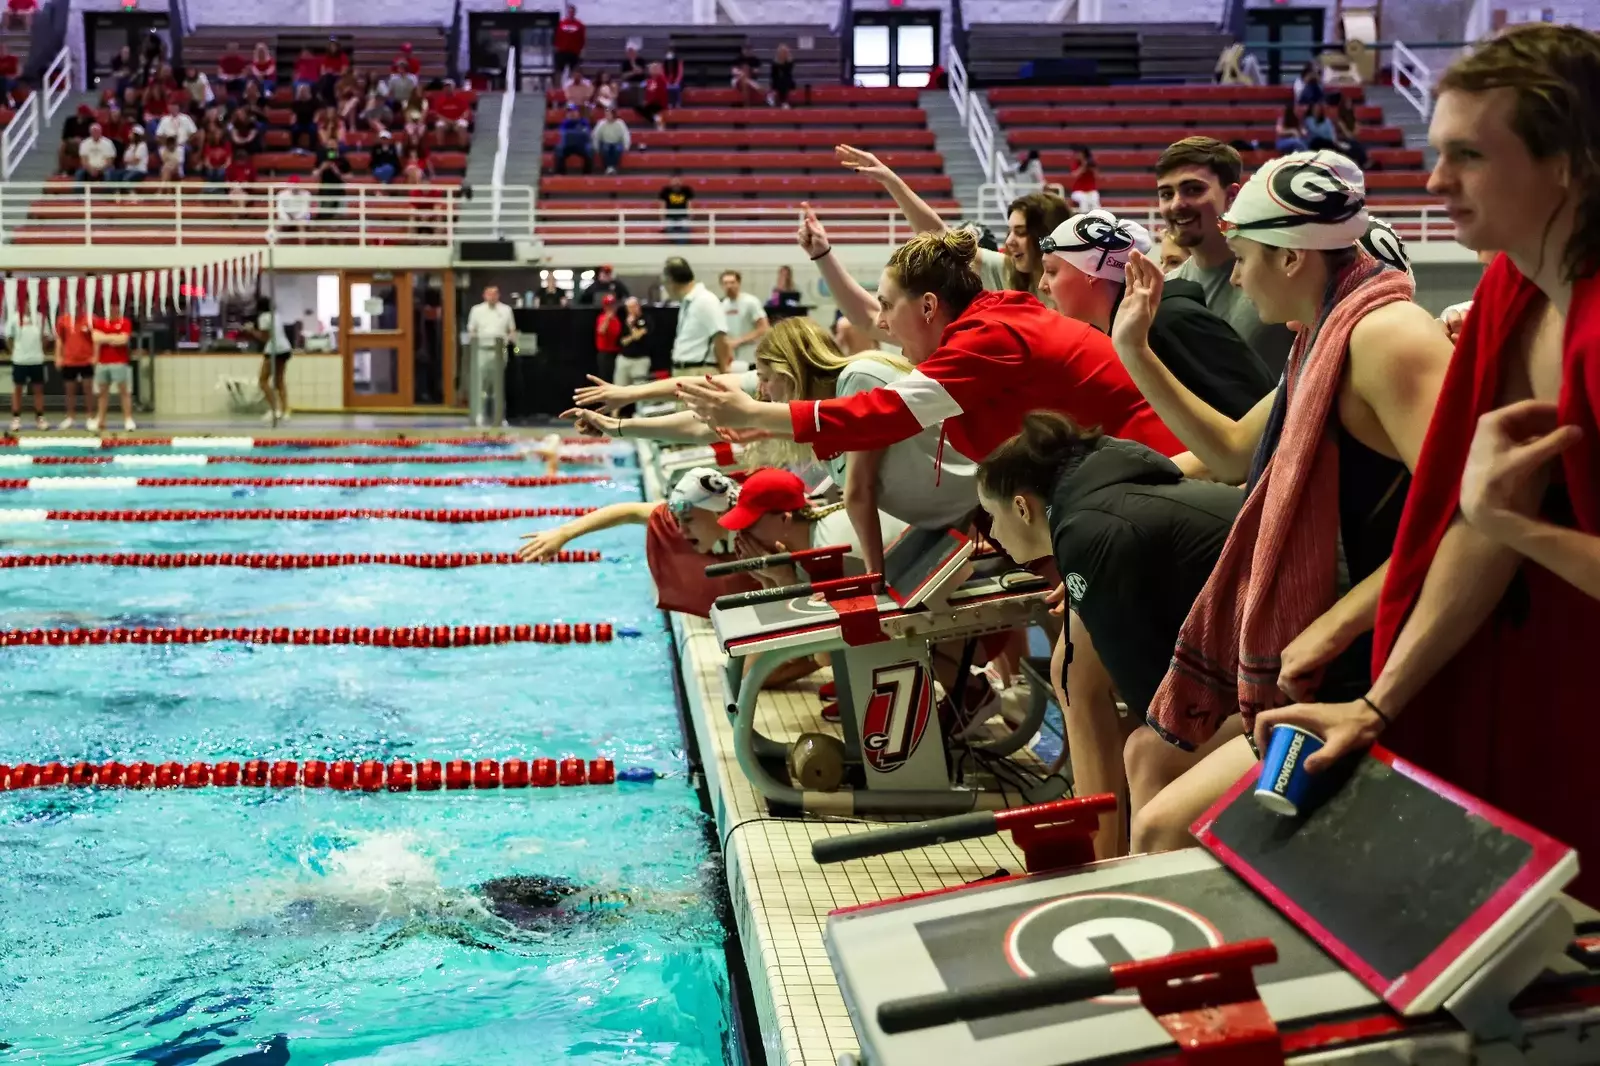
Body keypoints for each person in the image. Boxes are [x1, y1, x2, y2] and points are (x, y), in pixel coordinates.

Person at [1251, 24, 1600, 905]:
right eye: (1439, 151)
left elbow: (1500, 517)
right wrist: (1379, 702)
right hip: (1532, 681)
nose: (1435, 179)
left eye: (1470, 156)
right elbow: (1480, 527)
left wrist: (1513, 522)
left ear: (1568, 162)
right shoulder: (1512, 296)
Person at [1111, 151, 1455, 853]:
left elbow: (1462, 520)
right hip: (1330, 656)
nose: (1234, 274)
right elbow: (1237, 450)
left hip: (1376, 662)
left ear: (1293, 258)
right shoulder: (1321, 342)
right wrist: (1136, 352)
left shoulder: (1386, 337)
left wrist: (1333, 626)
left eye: (1243, 256)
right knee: (1151, 759)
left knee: (1163, 830)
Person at [679, 228, 1184, 473]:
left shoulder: (990, 335)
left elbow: (888, 412)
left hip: (1154, 466)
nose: (878, 322)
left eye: (885, 306)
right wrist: (766, 418)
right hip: (1127, 464)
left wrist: (763, 415)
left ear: (926, 306)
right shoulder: (989, 321)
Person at [978, 412, 1243, 857]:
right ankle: (1105, 854)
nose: (992, 537)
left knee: (1147, 749)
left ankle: (1134, 874)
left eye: (990, 517)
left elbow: (1156, 706)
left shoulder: (1091, 530)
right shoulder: (1104, 489)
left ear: (1022, 507)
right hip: (1276, 641)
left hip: (1316, 669)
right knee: (1074, 668)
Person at [1041, 210, 1274, 420]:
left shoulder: (1167, 322)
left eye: (1051, 271)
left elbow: (1253, 422)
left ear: (1091, 273)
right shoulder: (1126, 329)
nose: (1042, 285)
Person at [834, 144, 1068, 298]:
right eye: (1010, 231)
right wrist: (890, 180)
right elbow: (940, 236)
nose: (1010, 241)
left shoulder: (1080, 288)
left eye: (1021, 232)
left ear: (1045, 233)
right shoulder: (1006, 272)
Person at [1157, 136, 1297, 375]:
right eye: (1167, 194)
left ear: (1232, 196)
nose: (1177, 204)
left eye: (1193, 190)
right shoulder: (1168, 289)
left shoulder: (1283, 271)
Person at [663, 257, 729, 375]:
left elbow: (720, 338)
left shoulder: (705, 300)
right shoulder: (687, 302)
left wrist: (724, 372)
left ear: (671, 281)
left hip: (699, 370)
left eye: (665, 283)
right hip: (684, 370)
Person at [465, 286, 517, 428]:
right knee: (481, 385)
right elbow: (471, 330)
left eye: (494, 294)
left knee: (498, 386)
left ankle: (500, 417)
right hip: (481, 351)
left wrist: (511, 342)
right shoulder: (476, 310)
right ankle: (479, 416)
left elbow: (511, 330)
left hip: (500, 351)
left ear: (498, 295)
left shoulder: (506, 310)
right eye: (489, 294)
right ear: (484, 295)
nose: (492, 296)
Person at [89, 308, 136, 433]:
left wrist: (105, 337)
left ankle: (128, 419)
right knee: (102, 394)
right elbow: (95, 338)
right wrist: (114, 337)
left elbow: (124, 340)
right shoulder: (99, 322)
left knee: (124, 392)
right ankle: (101, 420)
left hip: (119, 362)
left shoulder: (125, 322)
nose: (112, 310)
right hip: (102, 363)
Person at [7, 302, 49, 432]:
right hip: (19, 360)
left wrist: (40, 350)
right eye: (25, 302)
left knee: (38, 391)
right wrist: (14, 352)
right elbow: (9, 338)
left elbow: (46, 337)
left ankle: (40, 418)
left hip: (36, 360)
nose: (27, 305)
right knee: (17, 390)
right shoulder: (14, 318)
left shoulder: (41, 318)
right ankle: (16, 419)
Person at [251, 296, 293, 423]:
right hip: (285, 348)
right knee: (279, 381)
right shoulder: (277, 315)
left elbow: (265, 337)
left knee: (262, 381)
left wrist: (251, 331)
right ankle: (285, 411)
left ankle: (275, 409)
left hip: (274, 350)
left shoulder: (263, 318)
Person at [719, 270, 769, 371]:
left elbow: (764, 328)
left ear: (739, 283)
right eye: (726, 283)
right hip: (731, 359)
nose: (729, 286)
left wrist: (738, 341)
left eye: (732, 282)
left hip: (750, 357)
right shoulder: (722, 305)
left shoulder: (751, 302)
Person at [53, 307, 93, 428]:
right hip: (69, 361)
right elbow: (59, 339)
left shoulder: (89, 319)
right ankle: (70, 417)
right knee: (69, 391)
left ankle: (90, 417)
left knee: (88, 390)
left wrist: (95, 356)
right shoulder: (63, 320)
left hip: (86, 360)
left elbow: (95, 339)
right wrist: (58, 356)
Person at [613, 296, 651, 388]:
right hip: (624, 359)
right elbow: (622, 341)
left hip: (640, 360)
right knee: (619, 388)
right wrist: (633, 336)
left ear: (638, 306)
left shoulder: (646, 319)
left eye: (634, 306)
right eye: (629, 307)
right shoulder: (623, 321)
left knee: (640, 390)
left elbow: (638, 336)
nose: (632, 310)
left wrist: (631, 326)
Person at [553, 103, 592, 175]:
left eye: (573, 111)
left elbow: (587, 133)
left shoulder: (583, 122)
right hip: (568, 146)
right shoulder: (565, 123)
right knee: (559, 149)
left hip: (580, 146)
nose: (571, 113)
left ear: (577, 112)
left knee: (589, 149)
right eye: (569, 112)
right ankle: (560, 173)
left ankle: (587, 173)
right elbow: (562, 133)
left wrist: (574, 134)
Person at [594, 294, 623, 383]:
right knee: (605, 379)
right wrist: (607, 319)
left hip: (616, 353)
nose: (611, 308)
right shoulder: (601, 318)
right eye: (608, 305)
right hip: (605, 354)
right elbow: (601, 331)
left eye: (613, 305)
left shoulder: (617, 319)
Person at [591, 106, 629, 175]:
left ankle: (613, 167)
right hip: (605, 142)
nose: (607, 116)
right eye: (606, 114)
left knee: (617, 149)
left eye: (609, 114)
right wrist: (595, 147)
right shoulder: (601, 123)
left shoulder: (620, 123)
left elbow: (625, 135)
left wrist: (626, 146)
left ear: (613, 114)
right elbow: (595, 136)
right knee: (606, 149)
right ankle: (608, 167)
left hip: (617, 142)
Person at [554, 5, 586, 80]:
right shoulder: (561, 23)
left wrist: (581, 50)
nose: (571, 13)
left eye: (572, 11)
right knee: (559, 70)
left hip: (574, 51)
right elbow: (557, 36)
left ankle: (572, 86)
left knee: (573, 70)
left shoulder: (579, 25)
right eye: (569, 11)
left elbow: (582, 38)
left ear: (574, 12)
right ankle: (558, 88)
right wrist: (556, 47)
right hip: (562, 51)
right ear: (567, 12)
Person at [659, 171, 692, 243]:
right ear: (671, 181)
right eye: (674, 180)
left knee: (686, 228)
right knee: (669, 228)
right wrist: (662, 221)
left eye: (678, 180)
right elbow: (662, 206)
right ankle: (680, 246)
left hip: (683, 217)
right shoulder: (665, 191)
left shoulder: (687, 190)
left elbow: (689, 205)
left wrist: (689, 218)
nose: (676, 182)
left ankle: (678, 246)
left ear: (682, 181)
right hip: (669, 217)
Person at [1066, 146, 1100, 213]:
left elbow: (1097, 176)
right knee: (1084, 200)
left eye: (1079, 154)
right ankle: (1083, 218)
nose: (1077, 155)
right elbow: (1075, 175)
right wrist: (1083, 166)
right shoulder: (1076, 163)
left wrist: (1091, 168)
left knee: (1095, 201)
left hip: (1091, 190)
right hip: (1078, 191)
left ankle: (1096, 218)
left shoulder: (1091, 163)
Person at [637, 62, 669, 130]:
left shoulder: (661, 79)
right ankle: (656, 121)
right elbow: (648, 93)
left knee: (653, 111)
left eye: (655, 68)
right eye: (651, 69)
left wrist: (648, 102)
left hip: (660, 103)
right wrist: (646, 101)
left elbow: (660, 94)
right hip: (651, 103)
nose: (652, 70)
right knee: (639, 108)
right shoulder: (649, 81)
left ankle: (659, 124)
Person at [769, 43, 796, 108]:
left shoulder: (790, 61)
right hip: (776, 80)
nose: (783, 53)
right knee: (781, 81)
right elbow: (773, 74)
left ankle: (784, 101)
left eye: (785, 52)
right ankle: (783, 101)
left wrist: (783, 62)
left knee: (784, 81)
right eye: (782, 52)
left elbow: (787, 72)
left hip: (788, 80)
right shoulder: (774, 62)